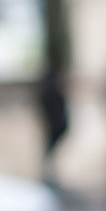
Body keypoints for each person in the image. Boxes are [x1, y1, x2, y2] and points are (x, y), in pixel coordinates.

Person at [37, 66, 69, 196]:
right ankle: (50, 178)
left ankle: (50, 177)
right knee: (50, 154)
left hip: (55, 126)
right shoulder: (52, 91)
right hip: (56, 126)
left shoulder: (49, 91)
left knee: (50, 154)